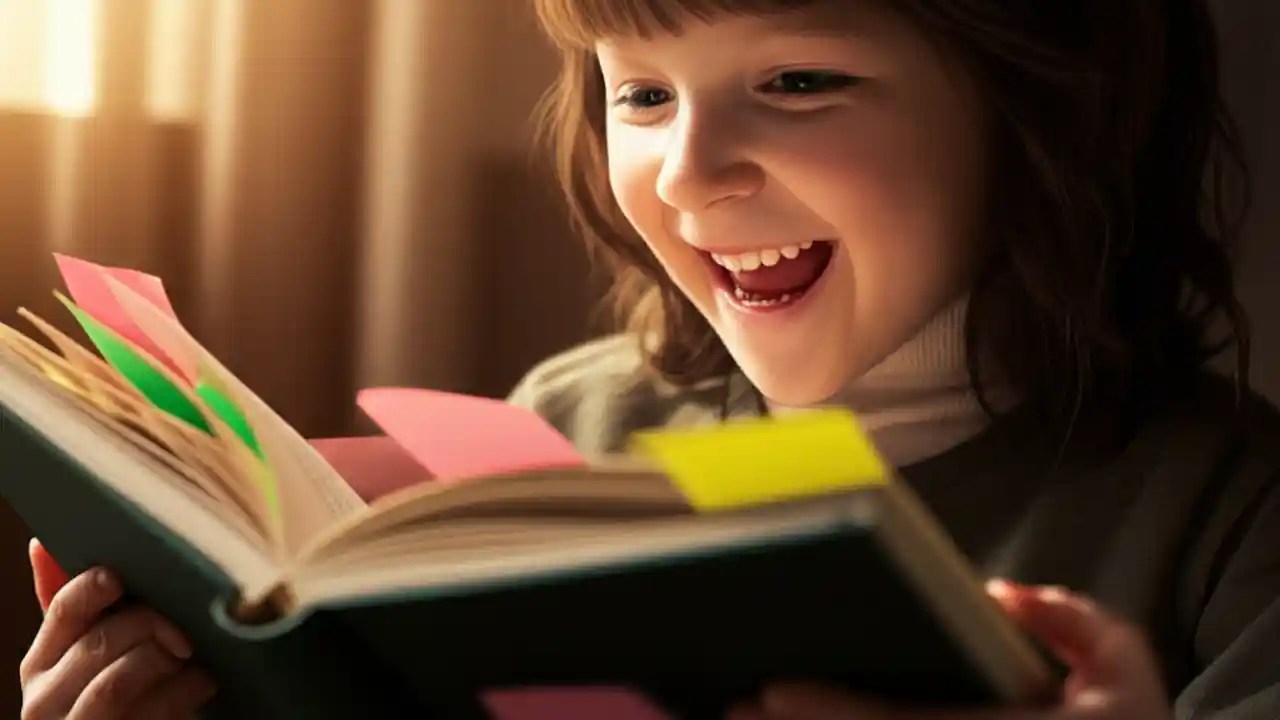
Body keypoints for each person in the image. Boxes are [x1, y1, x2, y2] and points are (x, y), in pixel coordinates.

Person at [19, 0, 1279, 718]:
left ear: (1036, 121)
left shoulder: (1226, 521)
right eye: (642, 96)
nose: (687, 176)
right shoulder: (562, 429)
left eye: (795, 80)